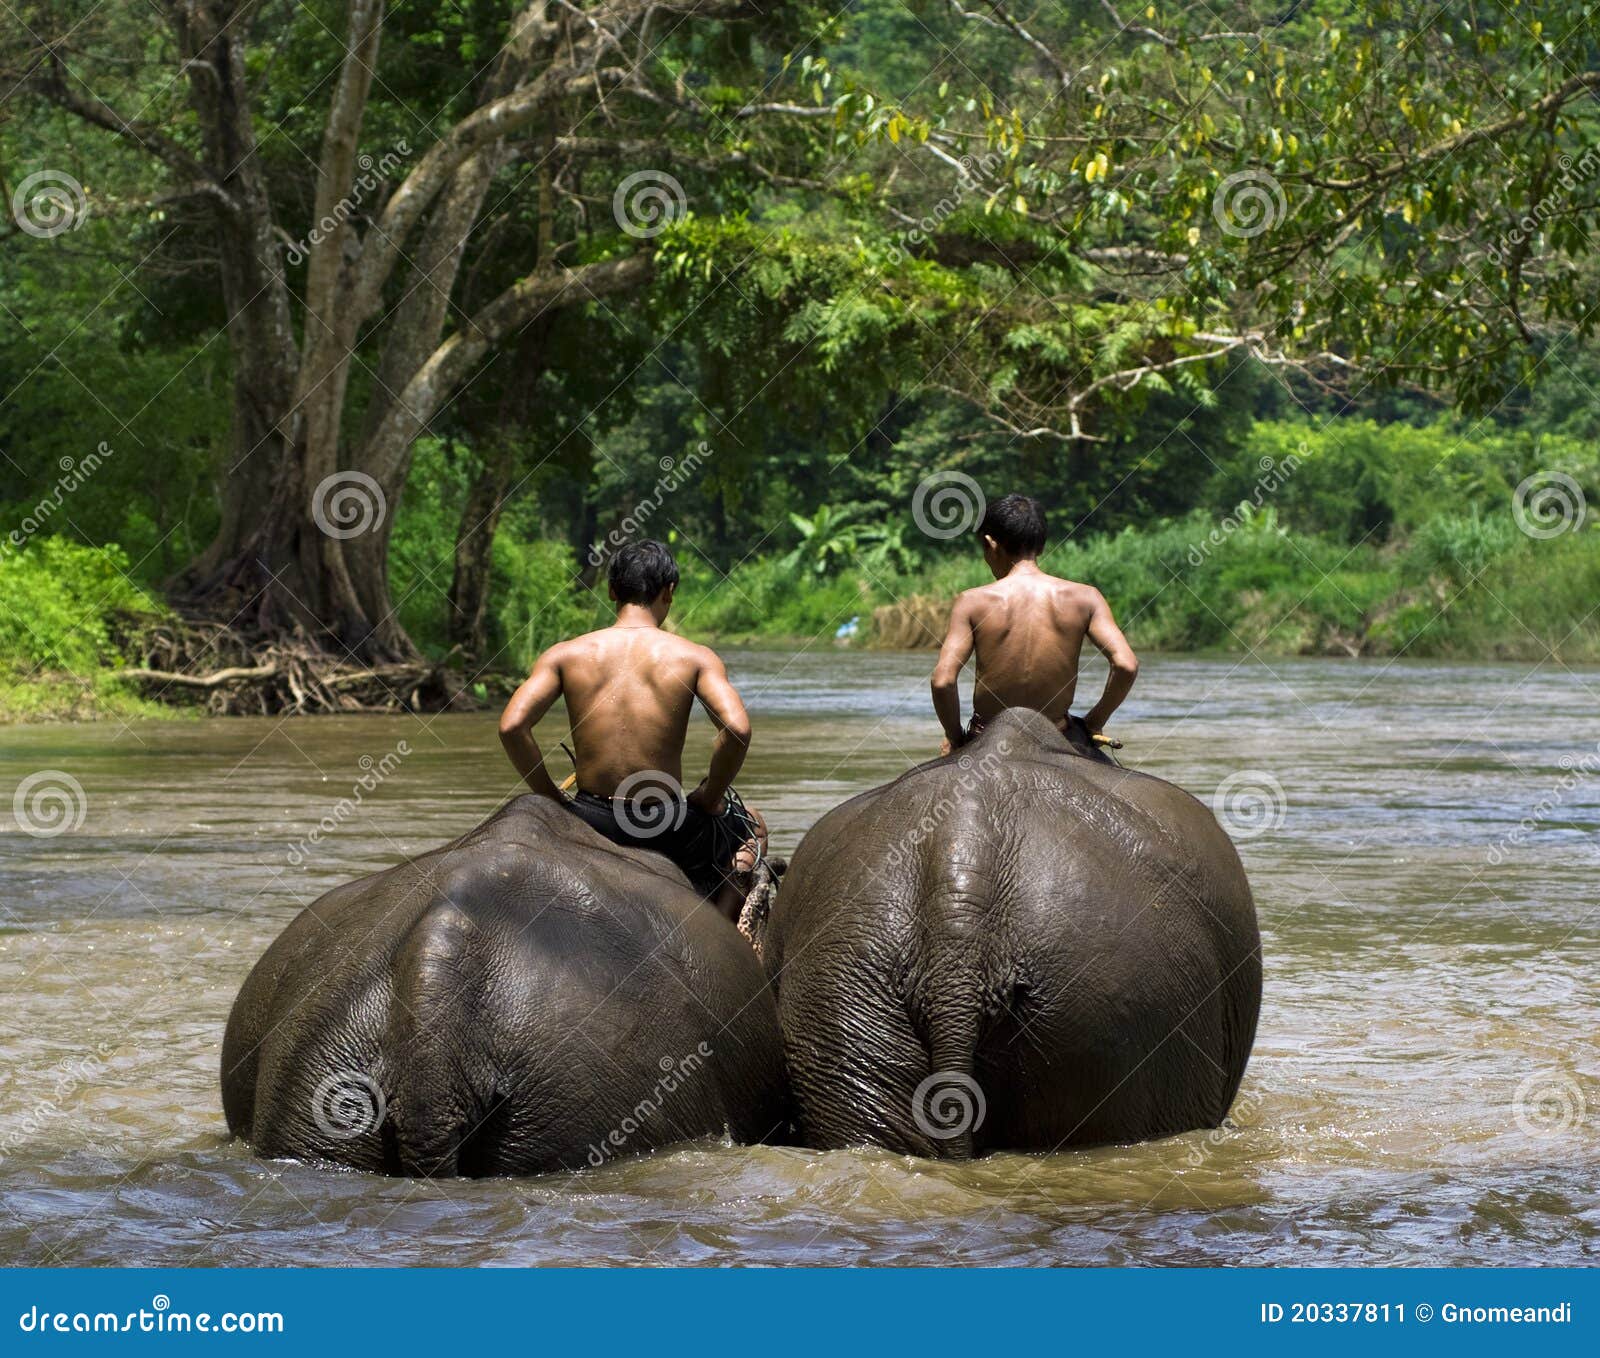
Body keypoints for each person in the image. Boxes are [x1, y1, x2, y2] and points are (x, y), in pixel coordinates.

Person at [498, 539, 765, 920]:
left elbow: (512, 726)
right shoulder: (694, 657)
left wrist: (553, 800)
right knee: (751, 828)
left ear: (612, 590)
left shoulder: (565, 654)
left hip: (591, 817)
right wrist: (710, 796)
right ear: (668, 592)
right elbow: (737, 729)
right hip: (666, 821)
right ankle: (727, 937)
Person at [930, 492, 1139, 752]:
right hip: (1057, 736)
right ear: (1040, 546)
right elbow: (1126, 665)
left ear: (989, 544)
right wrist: (1093, 723)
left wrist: (955, 737)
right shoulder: (1086, 598)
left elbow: (942, 681)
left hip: (987, 739)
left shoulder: (971, 602)